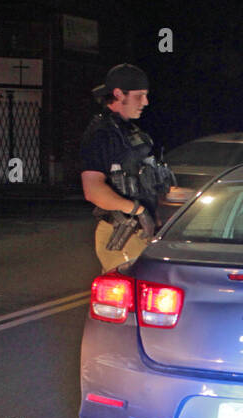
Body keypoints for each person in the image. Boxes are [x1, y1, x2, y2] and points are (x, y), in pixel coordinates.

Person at [80, 63, 173, 270]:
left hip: (140, 233)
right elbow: (93, 190)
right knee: (129, 296)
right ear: (118, 94)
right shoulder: (101, 134)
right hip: (121, 232)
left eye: (146, 95)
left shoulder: (131, 132)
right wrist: (137, 210)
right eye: (139, 95)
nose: (145, 102)